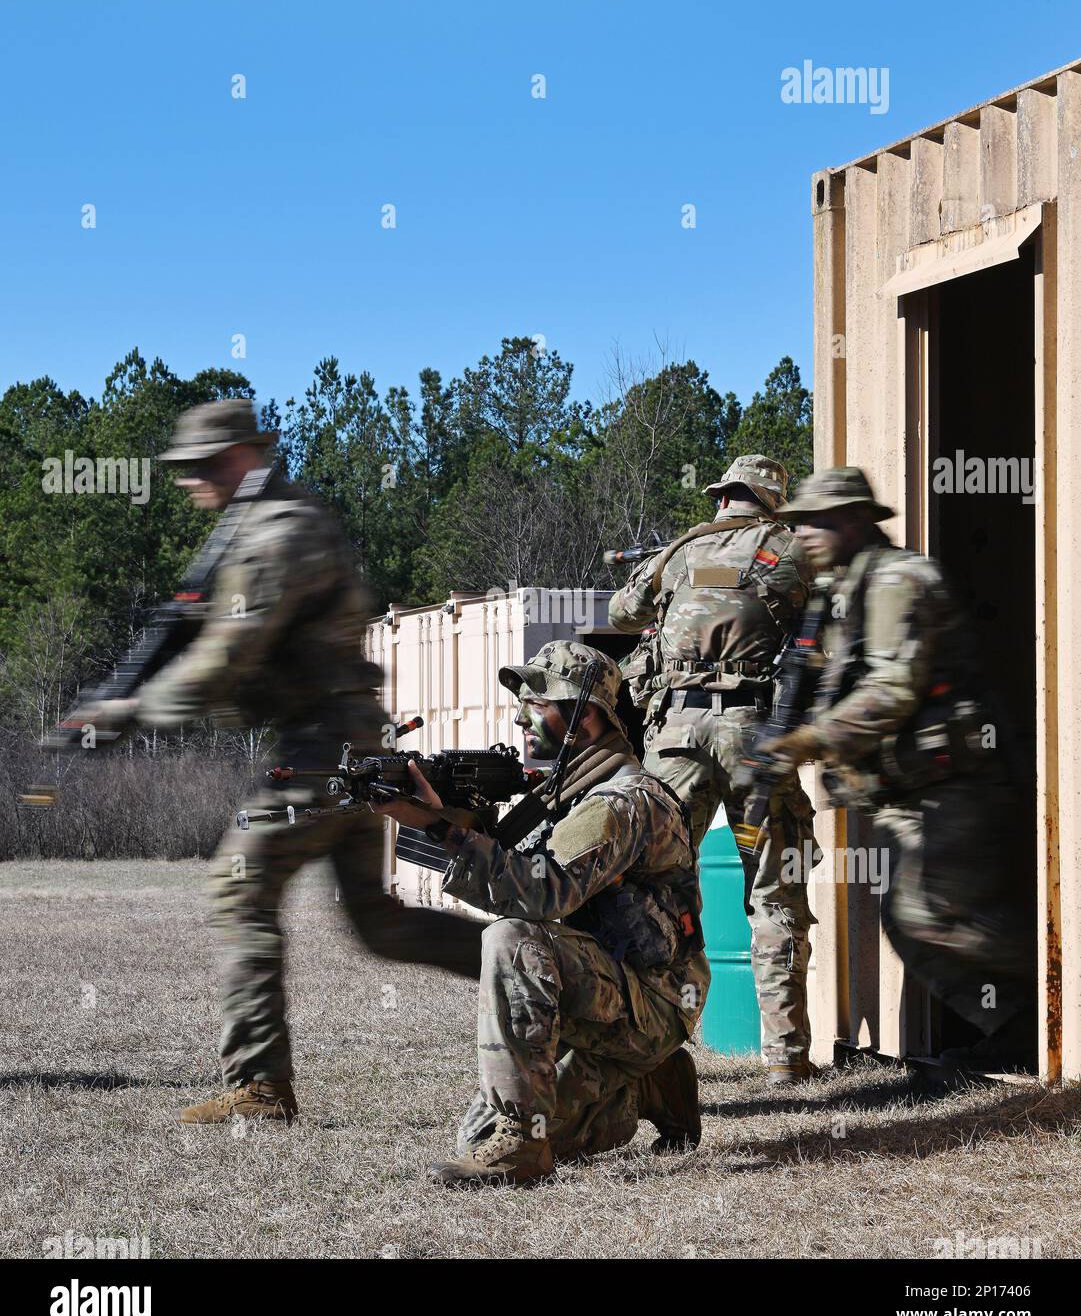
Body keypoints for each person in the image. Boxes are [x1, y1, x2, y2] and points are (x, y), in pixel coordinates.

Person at [88, 399, 484, 1124]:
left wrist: (126, 712)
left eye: (203, 466)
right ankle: (563, 988)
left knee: (238, 893)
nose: (190, 482)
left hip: (320, 754)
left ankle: (260, 1089)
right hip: (342, 748)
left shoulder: (280, 534)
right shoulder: (261, 526)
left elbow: (224, 660)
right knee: (381, 926)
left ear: (244, 456)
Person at [375, 641, 710, 1186]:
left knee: (511, 938)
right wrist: (450, 815)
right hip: (611, 985)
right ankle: (649, 1082)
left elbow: (541, 893)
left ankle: (525, 1147)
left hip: (656, 997)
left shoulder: (621, 801)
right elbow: (514, 868)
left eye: (538, 700)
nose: (520, 713)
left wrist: (440, 829)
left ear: (585, 713)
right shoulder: (570, 794)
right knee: (472, 1140)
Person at [761, 466, 1033, 1067]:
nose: (801, 533)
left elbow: (893, 689)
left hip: (959, 785)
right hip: (910, 793)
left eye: (816, 521)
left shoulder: (899, 580)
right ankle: (1016, 1026)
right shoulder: (842, 593)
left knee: (923, 912)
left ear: (855, 520)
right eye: (797, 521)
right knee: (910, 923)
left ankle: (1052, 977)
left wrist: (809, 740)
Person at [608, 455, 820, 1085]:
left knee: (651, 889)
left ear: (723, 496)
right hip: (755, 733)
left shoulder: (680, 551)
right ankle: (785, 1057)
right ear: (772, 498)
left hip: (675, 736)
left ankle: (645, 1049)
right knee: (773, 891)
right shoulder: (789, 548)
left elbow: (622, 614)